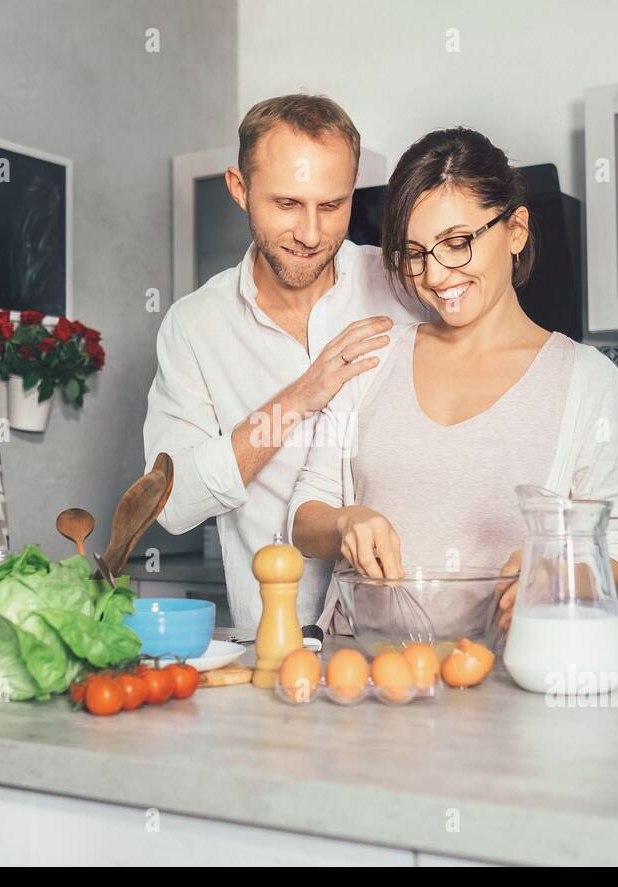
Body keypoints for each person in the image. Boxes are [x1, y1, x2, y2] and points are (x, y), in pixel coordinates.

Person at [287, 127, 618, 632]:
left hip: (507, 683)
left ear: (515, 229)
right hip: (364, 678)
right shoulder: (374, 357)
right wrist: (345, 521)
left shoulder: (586, 381)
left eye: (456, 243)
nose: (433, 276)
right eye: (414, 253)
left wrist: (563, 577)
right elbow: (304, 517)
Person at [144, 94, 424, 628]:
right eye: (288, 205)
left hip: (401, 637)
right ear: (239, 189)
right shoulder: (194, 326)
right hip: (272, 645)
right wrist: (297, 398)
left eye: (332, 205)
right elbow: (171, 502)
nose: (312, 234)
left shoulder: (405, 289)